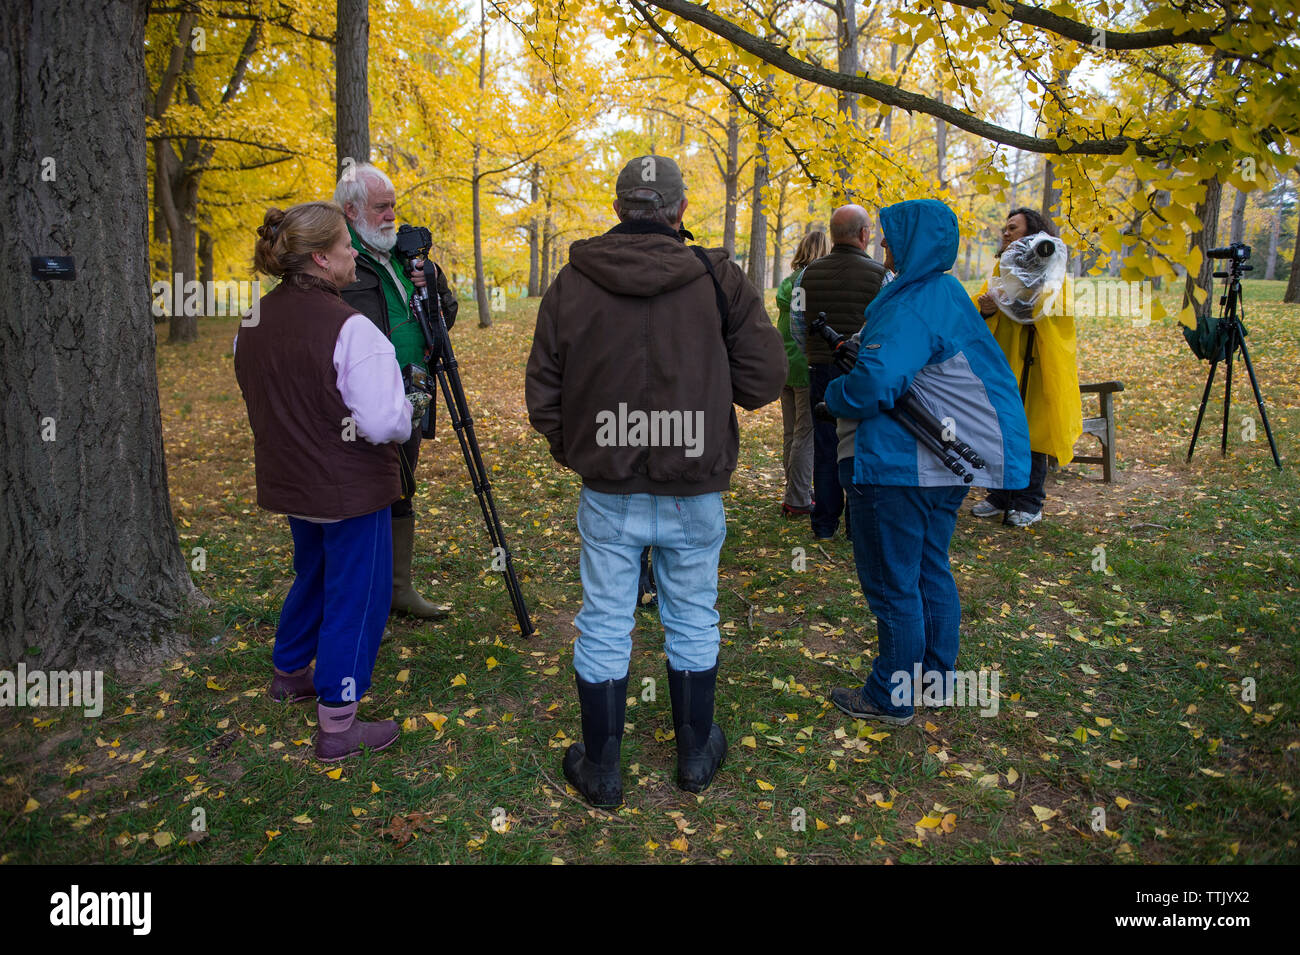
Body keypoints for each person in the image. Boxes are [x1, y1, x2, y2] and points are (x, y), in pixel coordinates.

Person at [525, 155, 786, 807]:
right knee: (693, 612)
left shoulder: (573, 279)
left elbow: (544, 391)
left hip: (611, 485)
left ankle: (603, 767)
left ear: (620, 207)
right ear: (679, 210)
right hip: (691, 481)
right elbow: (763, 377)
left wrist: (584, 450)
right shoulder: (714, 275)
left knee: (607, 618)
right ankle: (693, 755)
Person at [823, 199, 1029, 725]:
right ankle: (936, 680)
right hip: (947, 464)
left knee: (894, 583)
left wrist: (837, 393)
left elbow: (875, 384)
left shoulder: (909, 302)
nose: (885, 246)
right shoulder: (944, 293)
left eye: (892, 237)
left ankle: (890, 695)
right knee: (929, 570)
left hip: (899, 466)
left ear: (912, 242)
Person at [235, 201, 416, 761]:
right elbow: (384, 421)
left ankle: (290, 670)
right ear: (320, 257)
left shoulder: (254, 320)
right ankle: (338, 723)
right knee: (357, 593)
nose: (352, 255)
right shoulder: (352, 328)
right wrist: (409, 410)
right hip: (348, 484)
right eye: (344, 246)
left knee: (312, 572)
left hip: (292, 478)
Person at [334, 163, 458, 619]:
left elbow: (446, 308)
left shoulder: (405, 254)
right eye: (381, 206)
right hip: (358, 401)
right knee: (362, 496)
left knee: (401, 486)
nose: (391, 215)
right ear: (352, 210)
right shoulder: (336, 256)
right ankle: (362, 605)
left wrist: (433, 290)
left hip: (411, 392)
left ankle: (397, 590)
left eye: (392, 205)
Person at [972, 207, 1081, 528]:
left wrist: (1022, 297)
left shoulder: (1053, 271)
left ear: (1031, 233)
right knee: (1001, 429)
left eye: (1013, 228)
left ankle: (1029, 501)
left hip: (1037, 364)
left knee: (1031, 432)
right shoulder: (998, 268)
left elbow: (1057, 312)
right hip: (1004, 364)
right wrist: (988, 308)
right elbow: (982, 307)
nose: (1005, 233)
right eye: (1004, 228)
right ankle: (999, 495)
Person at [790, 205, 887, 540]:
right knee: (862, 443)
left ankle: (824, 522)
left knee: (825, 442)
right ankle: (857, 524)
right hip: (864, 371)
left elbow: (797, 323)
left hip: (821, 369)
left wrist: (814, 354)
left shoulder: (807, 275)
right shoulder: (880, 276)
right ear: (863, 234)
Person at [775, 230, 830, 517]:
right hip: (804, 364)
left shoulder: (787, 282)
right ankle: (797, 498)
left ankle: (794, 489)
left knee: (791, 433)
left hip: (783, 363)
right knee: (805, 434)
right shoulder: (812, 283)